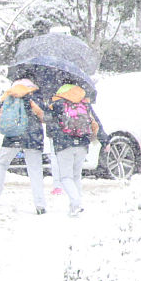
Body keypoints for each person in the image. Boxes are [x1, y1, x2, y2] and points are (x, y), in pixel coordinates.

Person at [0, 78, 47, 214]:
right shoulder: (35, 96)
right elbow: (44, 116)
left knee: (1, 164)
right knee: (35, 170)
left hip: (12, 135)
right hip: (32, 136)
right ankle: (40, 205)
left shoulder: (10, 95)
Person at [45, 82, 99, 217]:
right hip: (82, 144)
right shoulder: (84, 103)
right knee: (76, 177)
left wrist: (55, 136)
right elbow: (95, 123)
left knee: (65, 177)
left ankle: (76, 203)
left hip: (64, 145)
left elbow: (50, 127)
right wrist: (102, 140)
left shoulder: (57, 104)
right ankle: (74, 206)